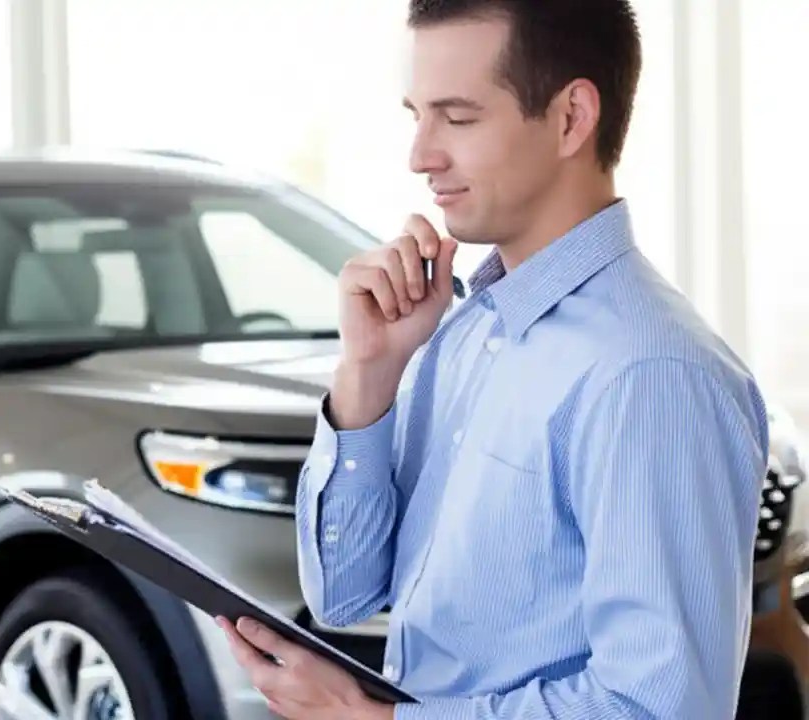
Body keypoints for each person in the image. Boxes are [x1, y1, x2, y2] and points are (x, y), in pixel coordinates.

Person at [216, 1, 770, 718]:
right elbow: (344, 592)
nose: (420, 154)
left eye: (458, 117)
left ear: (572, 117)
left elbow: (662, 709)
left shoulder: (651, 375)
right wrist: (370, 376)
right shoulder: (462, 333)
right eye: (416, 114)